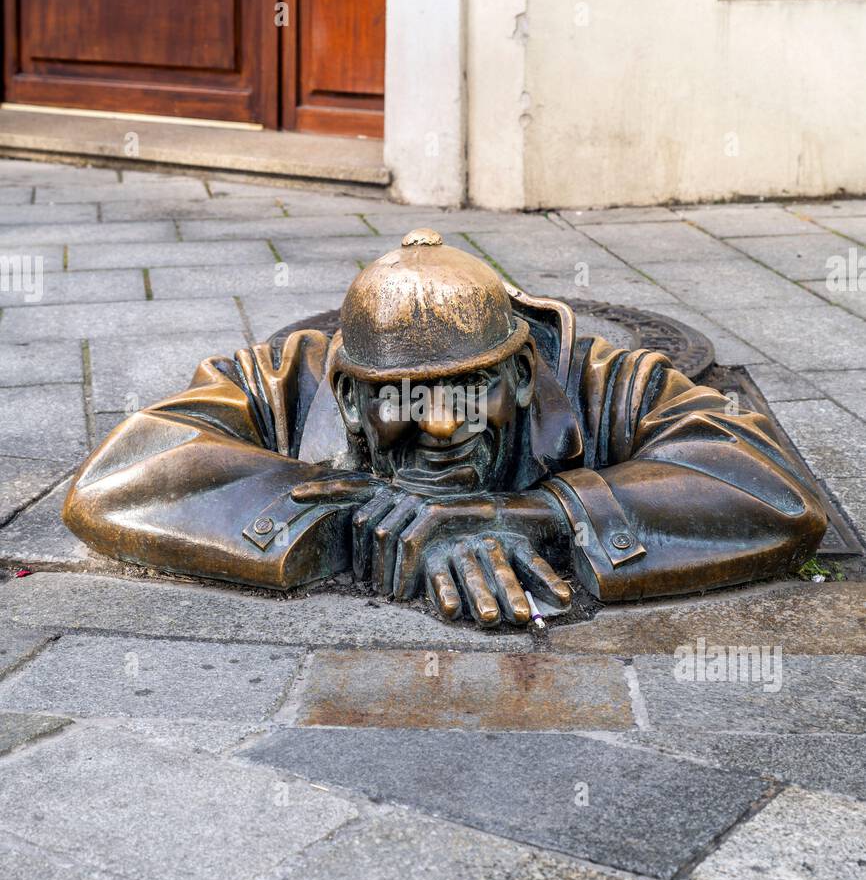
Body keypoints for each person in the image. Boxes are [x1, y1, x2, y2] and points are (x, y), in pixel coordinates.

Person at [64, 229, 826, 628]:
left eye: (469, 391)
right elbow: (118, 479)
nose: (438, 426)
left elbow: (769, 487)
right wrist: (355, 517)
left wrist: (530, 517)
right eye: (403, 398)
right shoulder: (284, 379)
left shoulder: (607, 381)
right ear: (350, 397)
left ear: (523, 376)